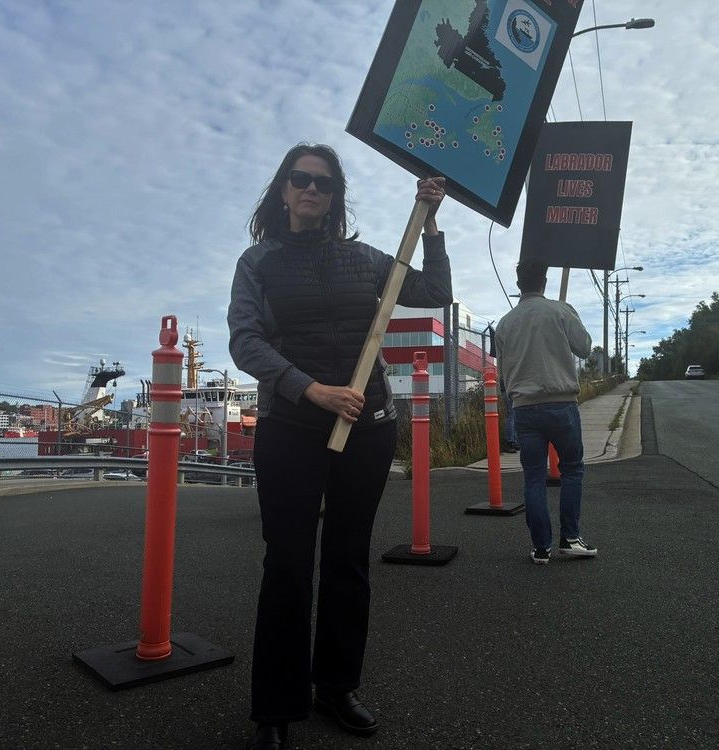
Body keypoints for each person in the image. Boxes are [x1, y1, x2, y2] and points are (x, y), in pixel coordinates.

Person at [228, 143, 451, 750]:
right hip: (291, 427)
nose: (311, 189)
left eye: (323, 183)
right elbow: (245, 341)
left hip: (367, 426)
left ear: (335, 197)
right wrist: (311, 390)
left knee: (349, 561)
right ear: (283, 190)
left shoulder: (366, 259)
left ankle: (336, 685)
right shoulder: (259, 262)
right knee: (287, 564)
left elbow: (434, 290)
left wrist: (431, 224)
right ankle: (275, 708)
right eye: (301, 179)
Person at [494, 260, 596, 564]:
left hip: (524, 408)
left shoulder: (505, 324)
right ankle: (571, 538)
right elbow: (585, 347)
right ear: (545, 281)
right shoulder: (560, 311)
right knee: (572, 469)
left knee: (534, 477)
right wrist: (571, 313)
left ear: (518, 285)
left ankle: (541, 547)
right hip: (562, 403)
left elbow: (502, 374)